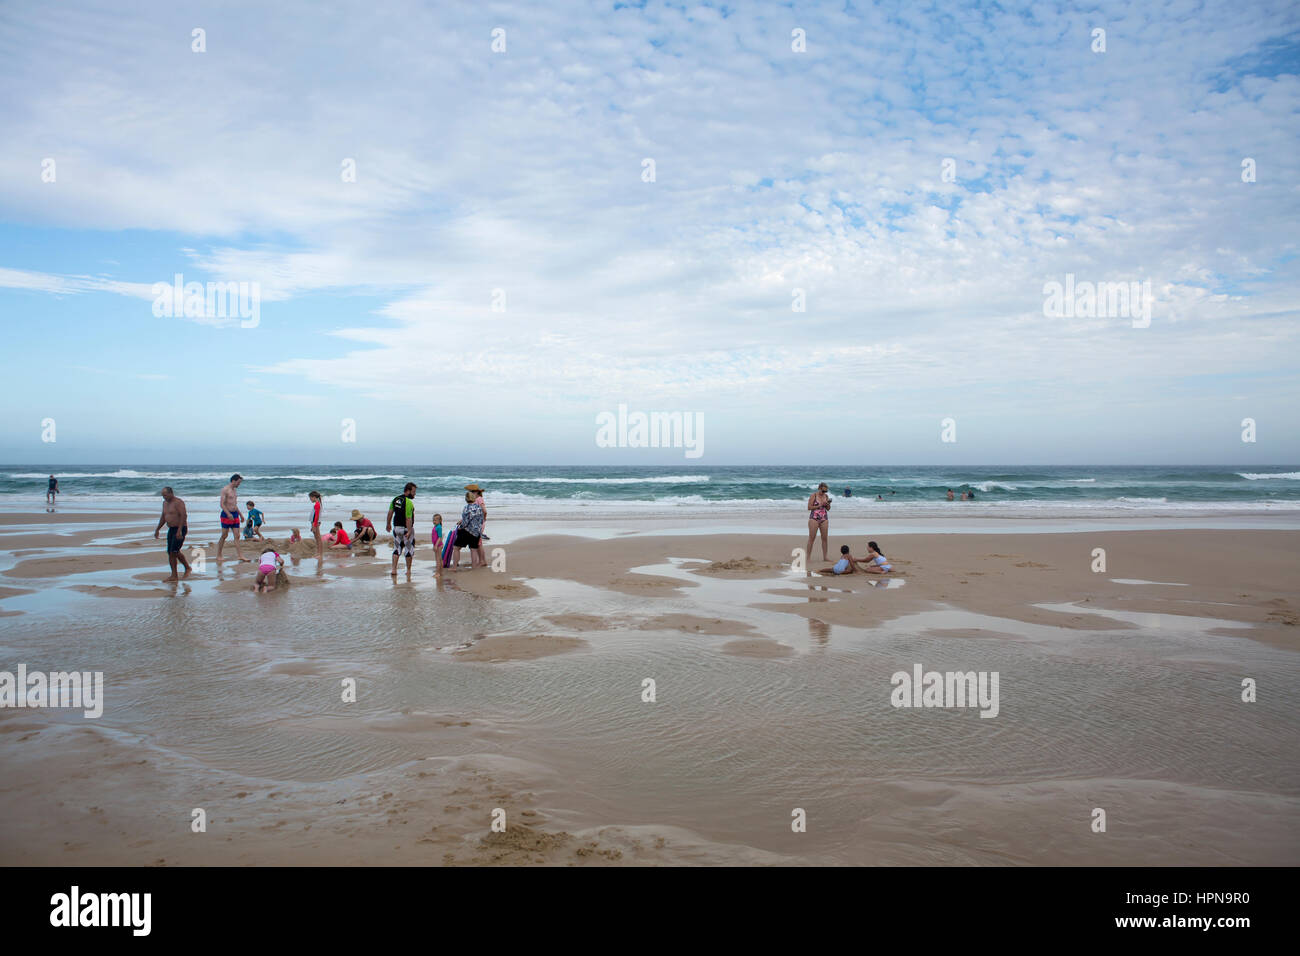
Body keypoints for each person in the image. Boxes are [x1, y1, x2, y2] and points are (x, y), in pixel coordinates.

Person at [153, 486, 191, 581]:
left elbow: (183, 515)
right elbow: (163, 516)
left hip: (180, 529)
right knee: (172, 551)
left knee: (173, 552)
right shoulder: (165, 503)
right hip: (171, 529)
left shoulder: (178, 502)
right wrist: (158, 529)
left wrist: (179, 530)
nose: (164, 497)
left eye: (165, 495)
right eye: (162, 495)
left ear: (171, 493)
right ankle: (187, 567)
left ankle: (174, 575)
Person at [386, 482, 417, 576]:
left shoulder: (395, 499)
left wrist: (388, 524)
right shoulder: (408, 502)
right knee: (408, 549)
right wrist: (410, 530)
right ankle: (408, 570)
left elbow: (390, 512)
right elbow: (408, 518)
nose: (415, 494)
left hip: (396, 528)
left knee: (396, 548)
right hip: (406, 529)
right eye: (413, 491)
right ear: (408, 491)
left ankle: (394, 570)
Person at [451, 490, 486, 569]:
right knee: (473, 550)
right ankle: (474, 567)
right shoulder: (479, 507)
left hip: (467, 532)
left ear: (466, 499)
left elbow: (465, 522)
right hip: (476, 532)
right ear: (473, 498)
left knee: (456, 548)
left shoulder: (466, 508)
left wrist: (460, 528)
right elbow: (481, 520)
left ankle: (454, 567)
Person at [217, 474, 245, 562]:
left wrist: (240, 514)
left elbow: (234, 504)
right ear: (233, 481)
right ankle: (219, 554)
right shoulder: (225, 490)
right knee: (224, 535)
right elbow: (222, 504)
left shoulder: (234, 490)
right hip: (226, 515)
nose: (239, 484)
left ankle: (240, 555)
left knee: (237, 535)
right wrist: (228, 513)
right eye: (238, 482)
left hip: (235, 514)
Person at [804, 483, 831, 563]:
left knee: (825, 538)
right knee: (812, 538)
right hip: (814, 518)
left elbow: (828, 509)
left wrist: (827, 504)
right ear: (819, 488)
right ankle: (808, 557)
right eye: (823, 491)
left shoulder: (826, 496)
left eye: (825, 491)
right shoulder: (813, 496)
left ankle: (825, 557)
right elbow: (809, 507)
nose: (824, 492)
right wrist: (820, 505)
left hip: (824, 517)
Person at [307, 491, 323, 557]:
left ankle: (319, 554)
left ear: (313, 497)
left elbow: (316, 516)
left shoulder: (317, 504)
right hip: (315, 523)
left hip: (315, 523)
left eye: (310, 498)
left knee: (318, 539)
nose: (310, 499)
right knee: (317, 538)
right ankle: (319, 553)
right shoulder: (317, 504)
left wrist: (314, 525)